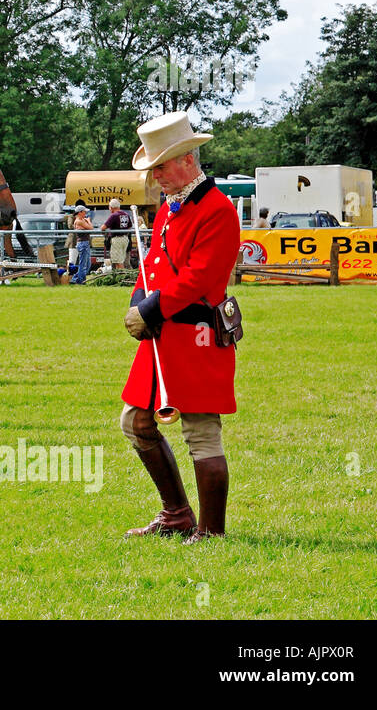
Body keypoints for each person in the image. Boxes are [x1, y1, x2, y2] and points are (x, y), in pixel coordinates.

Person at [120, 111, 239, 544]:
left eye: (161, 166)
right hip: (163, 335)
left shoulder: (218, 208)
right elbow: (153, 266)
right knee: (136, 422)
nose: (156, 176)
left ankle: (211, 531)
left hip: (197, 335)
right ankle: (177, 516)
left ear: (188, 159)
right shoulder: (170, 207)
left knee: (201, 432)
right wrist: (138, 304)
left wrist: (149, 311)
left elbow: (200, 277)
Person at [101, 198, 133, 268]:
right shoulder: (126, 214)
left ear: (111, 207)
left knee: (118, 261)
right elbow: (130, 226)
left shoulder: (114, 215)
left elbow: (103, 227)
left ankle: (122, 277)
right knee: (122, 260)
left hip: (117, 239)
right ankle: (122, 275)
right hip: (125, 238)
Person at [72, 205, 93, 283]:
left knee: (87, 264)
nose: (86, 213)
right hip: (82, 244)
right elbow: (91, 228)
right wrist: (89, 221)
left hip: (85, 243)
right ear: (80, 212)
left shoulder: (82, 220)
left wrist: (87, 221)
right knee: (83, 264)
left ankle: (75, 278)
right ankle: (80, 280)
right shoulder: (79, 221)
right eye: (84, 212)